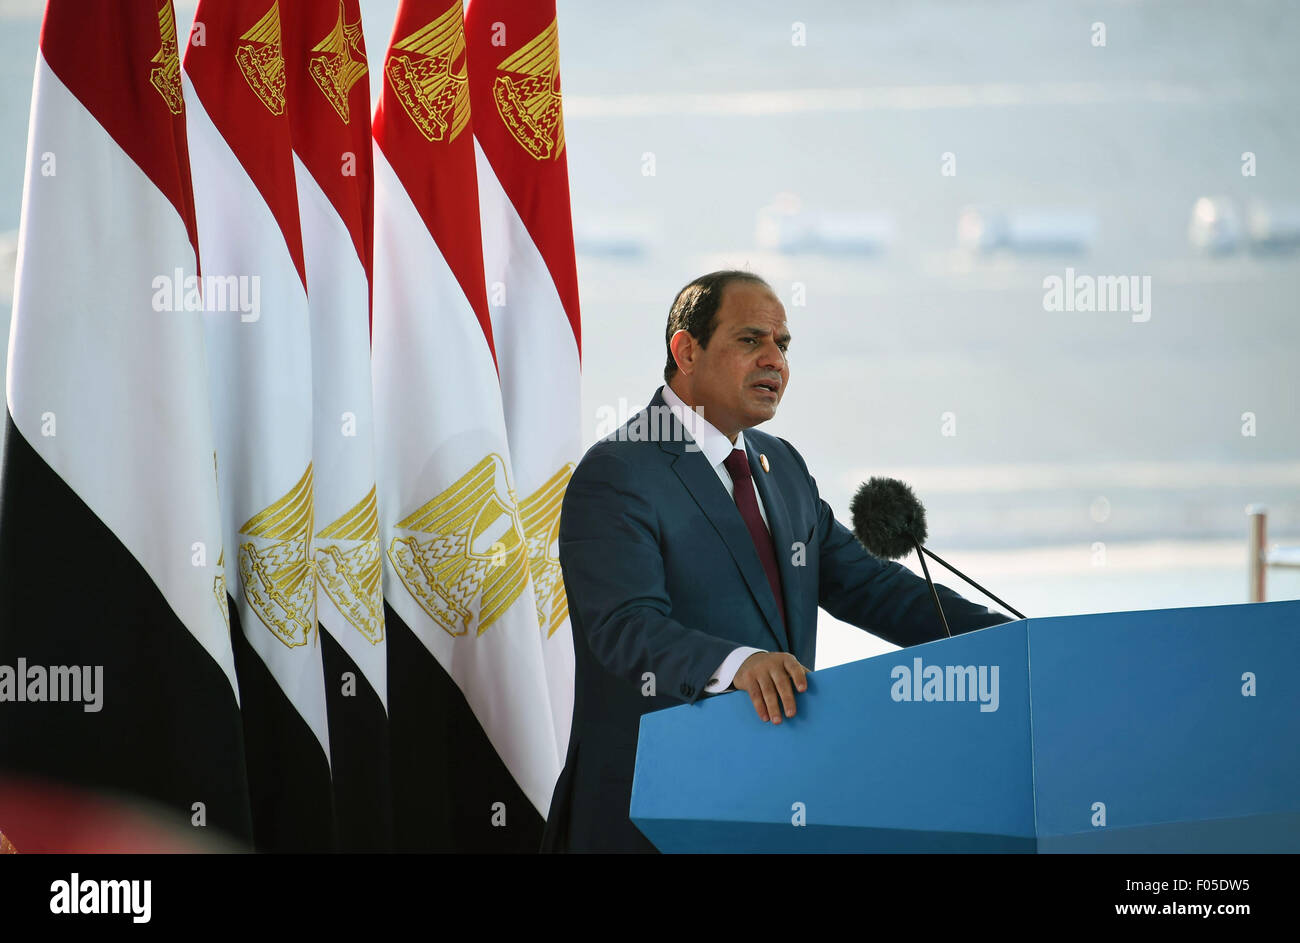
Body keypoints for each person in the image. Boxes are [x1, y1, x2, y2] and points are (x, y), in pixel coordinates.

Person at [541, 270, 1013, 853]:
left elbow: (873, 588)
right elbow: (625, 627)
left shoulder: (780, 466)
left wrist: (1014, 643)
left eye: (782, 345)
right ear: (686, 350)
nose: (775, 361)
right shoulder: (619, 470)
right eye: (750, 340)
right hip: (651, 814)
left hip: (770, 804)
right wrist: (739, 663)